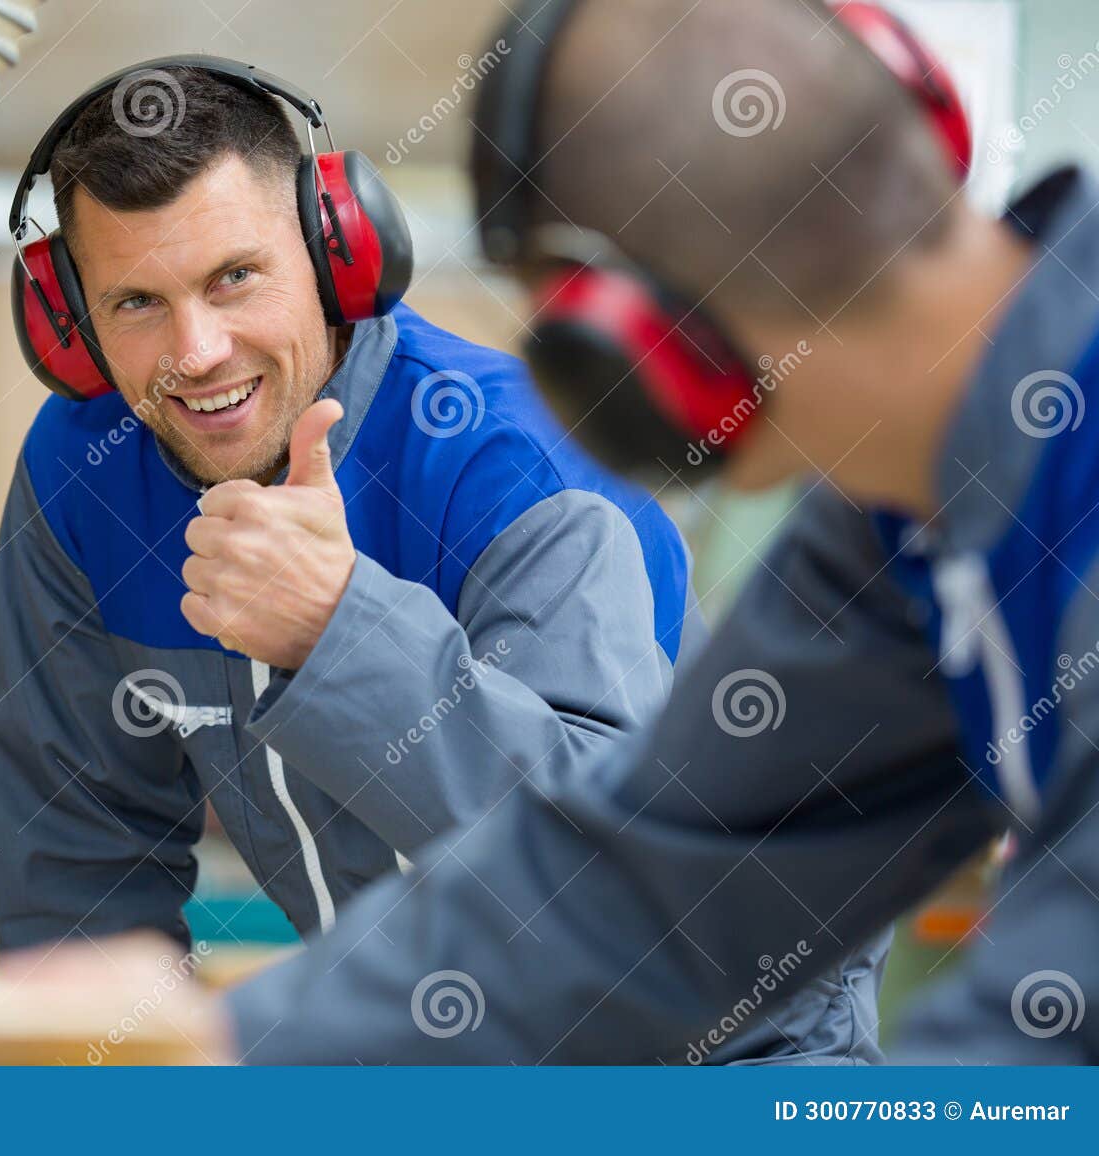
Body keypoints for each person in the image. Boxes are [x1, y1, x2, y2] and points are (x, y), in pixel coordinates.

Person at [203, 0, 1099, 1063]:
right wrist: (208, 1053)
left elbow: (1036, 1044)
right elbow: (643, 884)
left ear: (629, 338)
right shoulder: (901, 529)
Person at [0, 54, 887, 1061]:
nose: (196, 351)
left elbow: (601, 876)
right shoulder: (80, 479)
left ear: (334, 257)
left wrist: (340, 632)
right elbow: (77, 868)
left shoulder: (524, 465)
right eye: (136, 303)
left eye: (235, 278)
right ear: (70, 327)